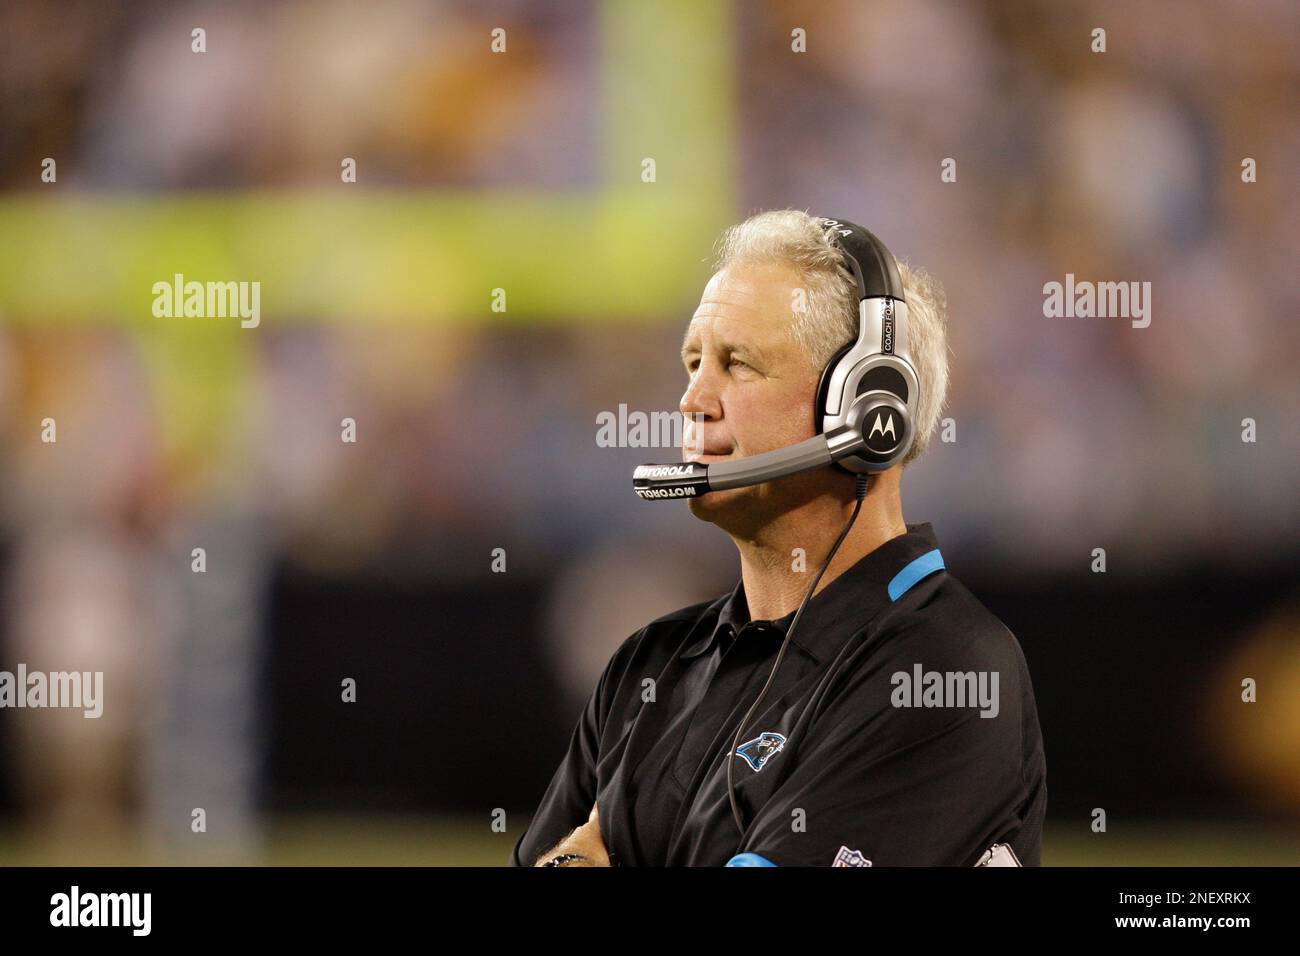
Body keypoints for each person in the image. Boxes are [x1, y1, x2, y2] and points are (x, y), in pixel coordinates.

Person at [510, 209, 1047, 867]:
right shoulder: (647, 667)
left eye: (737, 364)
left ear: (869, 408)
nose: (692, 399)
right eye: (693, 361)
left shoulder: (945, 669)